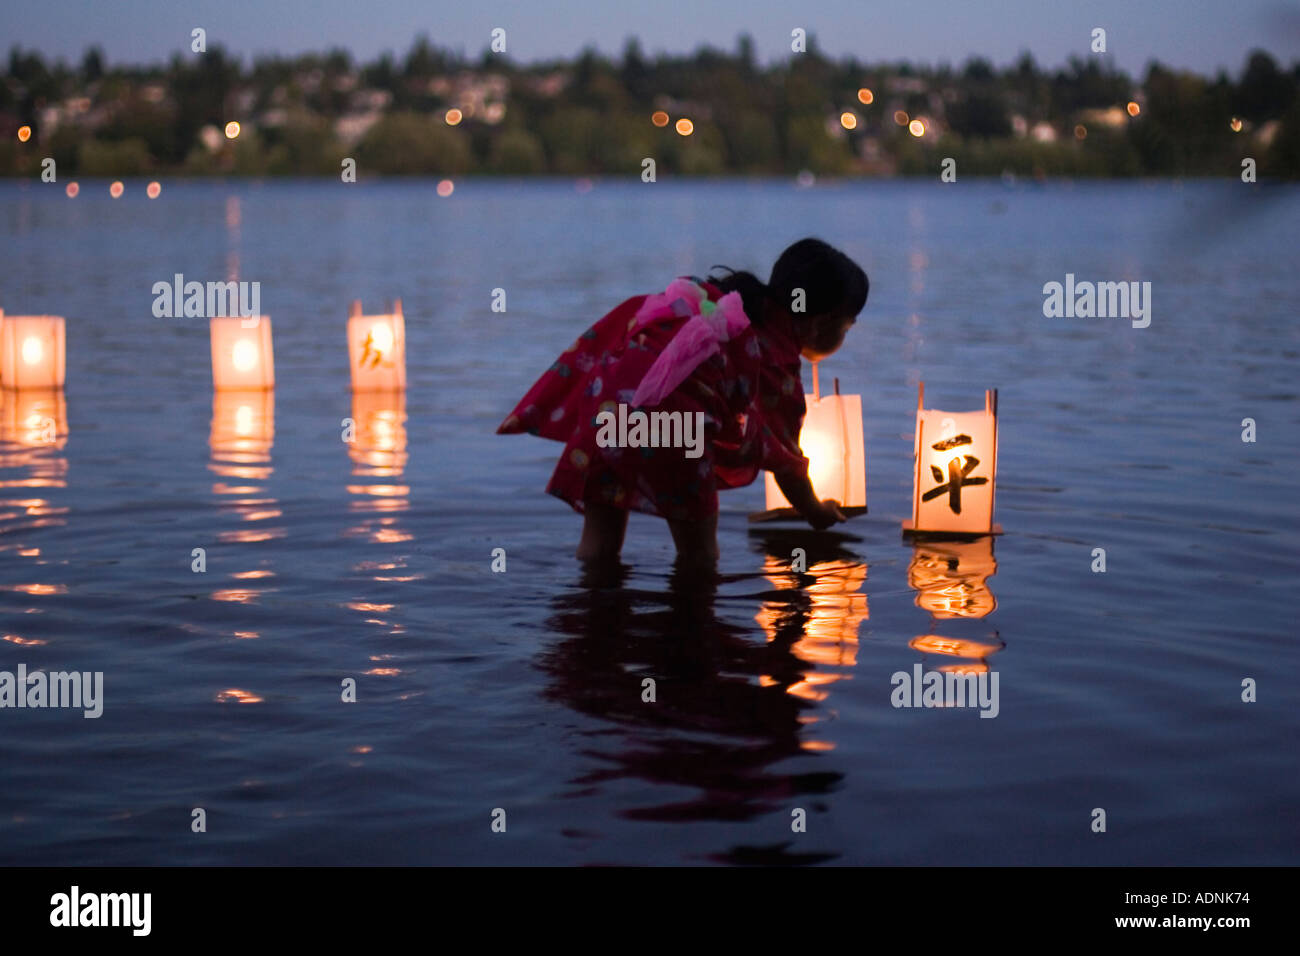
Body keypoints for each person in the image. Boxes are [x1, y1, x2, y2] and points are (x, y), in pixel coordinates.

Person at [497, 237, 869, 565]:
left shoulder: (716, 305)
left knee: (598, 551)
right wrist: (816, 512)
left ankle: (592, 633)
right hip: (676, 429)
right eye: (848, 327)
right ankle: (689, 638)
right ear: (821, 323)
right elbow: (785, 460)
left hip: (609, 409)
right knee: (699, 557)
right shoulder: (772, 356)